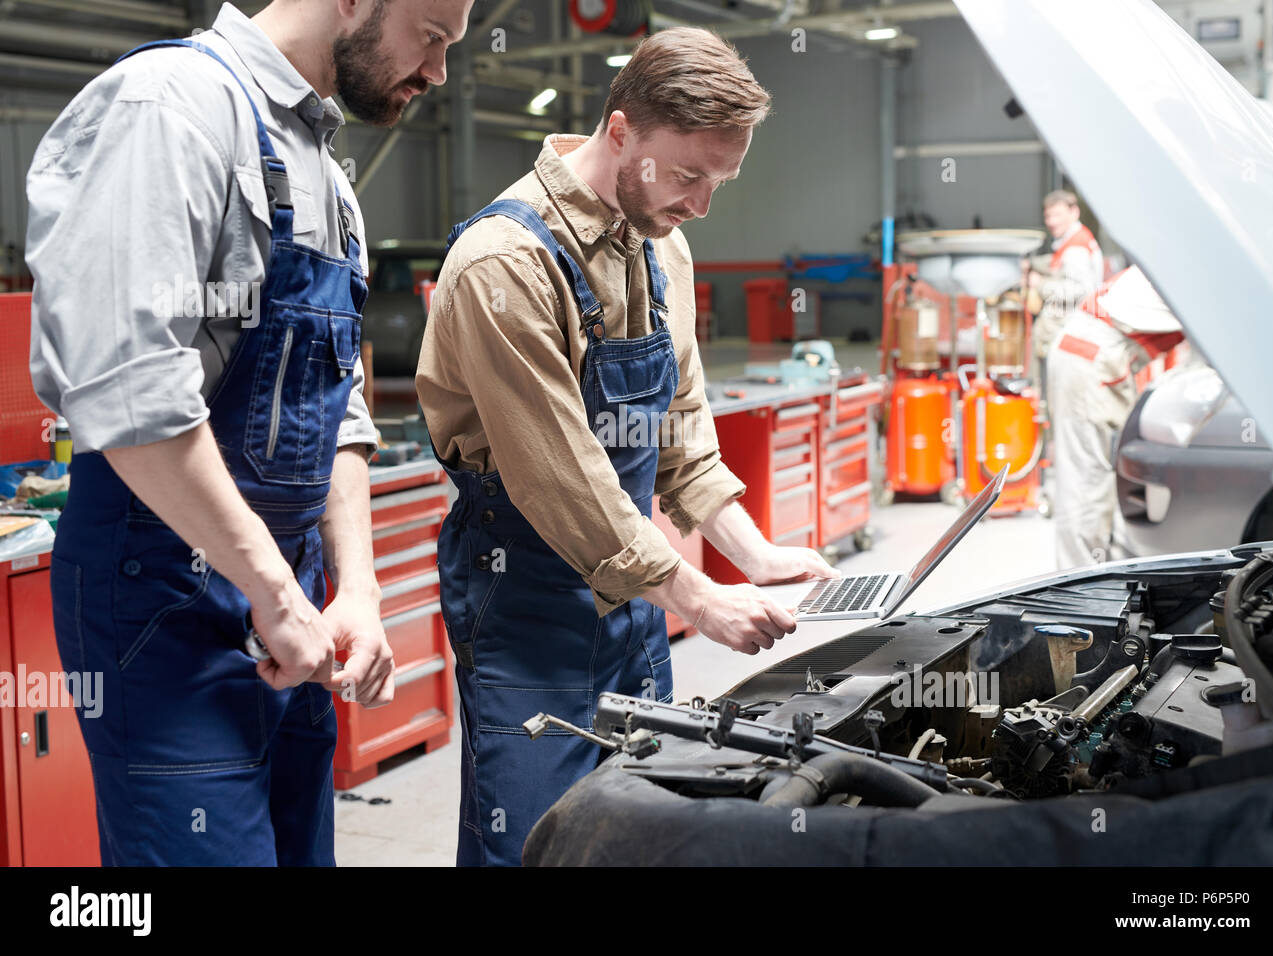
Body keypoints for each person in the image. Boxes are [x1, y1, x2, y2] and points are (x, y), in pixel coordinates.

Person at [25, 0, 472, 866]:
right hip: (162, 588)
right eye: (433, 36)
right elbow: (130, 392)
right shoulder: (168, 107)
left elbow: (336, 401)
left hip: (287, 589)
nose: (442, 71)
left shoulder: (323, 165)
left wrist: (359, 592)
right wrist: (272, 592)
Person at [416, 27, 838, 866]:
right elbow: (561, 476)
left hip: (634, 599)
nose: (701, 204)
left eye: (722, 179)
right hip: (526, 600)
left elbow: (679, 424)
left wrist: (753, 555)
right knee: (534, 840)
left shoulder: (662, 246)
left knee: (637, 830)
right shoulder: (505, 263)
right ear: (620, 133)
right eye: (688, 175)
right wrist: (697, 597)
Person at [1047, 266, 1183, 569]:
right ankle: (1078, 591)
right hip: (1089, 360)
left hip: (1095, 357)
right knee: (1087, 484)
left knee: (1116, 479)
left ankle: (1115, 578)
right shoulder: (1194, 271)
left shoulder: (1182, 259)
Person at [1024, 189, 1106, 363]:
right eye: (1048, 216)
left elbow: (1076, 290)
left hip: (1068, 339)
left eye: (1058, 215)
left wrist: (1040, 284)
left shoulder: (1077, 248)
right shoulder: (1071, 242)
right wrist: (1031, 264)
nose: (1052, 221)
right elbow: (1056, 265)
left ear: (1074, 212)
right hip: (1064, 337)